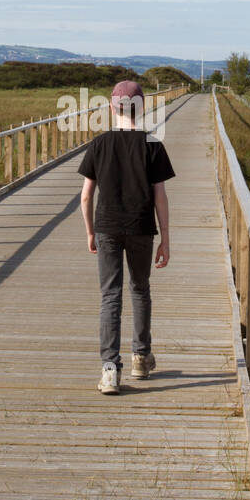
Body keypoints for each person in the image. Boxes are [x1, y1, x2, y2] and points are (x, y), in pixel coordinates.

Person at [78, 81, 175, 394]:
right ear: (142, 107)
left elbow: (85, 196)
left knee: (110, 295)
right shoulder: (152, 145)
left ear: (111, 107)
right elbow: (160, 197)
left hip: (106, 226)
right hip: (141, 228)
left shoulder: (99, 144)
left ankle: (109, 369)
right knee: (140, 289)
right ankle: (140, 358)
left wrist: (90, 231)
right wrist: (166, 239)